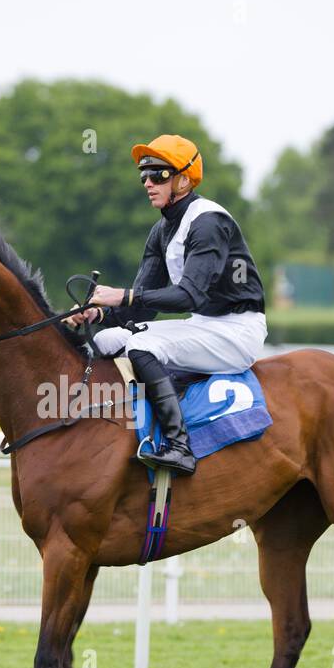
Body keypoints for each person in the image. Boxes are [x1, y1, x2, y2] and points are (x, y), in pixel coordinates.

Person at [65, 134, 267, 475]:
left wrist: (123, 295)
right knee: (106, 339)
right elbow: (142, 307)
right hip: (203, 325)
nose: (148, 182)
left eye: (158, 174)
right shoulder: (161, 231)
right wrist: (99, 313)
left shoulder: (209, 222)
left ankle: (179, 446)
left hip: (238, 331)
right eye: (144, 175)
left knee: (142, 346)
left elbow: (189, 295)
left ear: (184, 179)